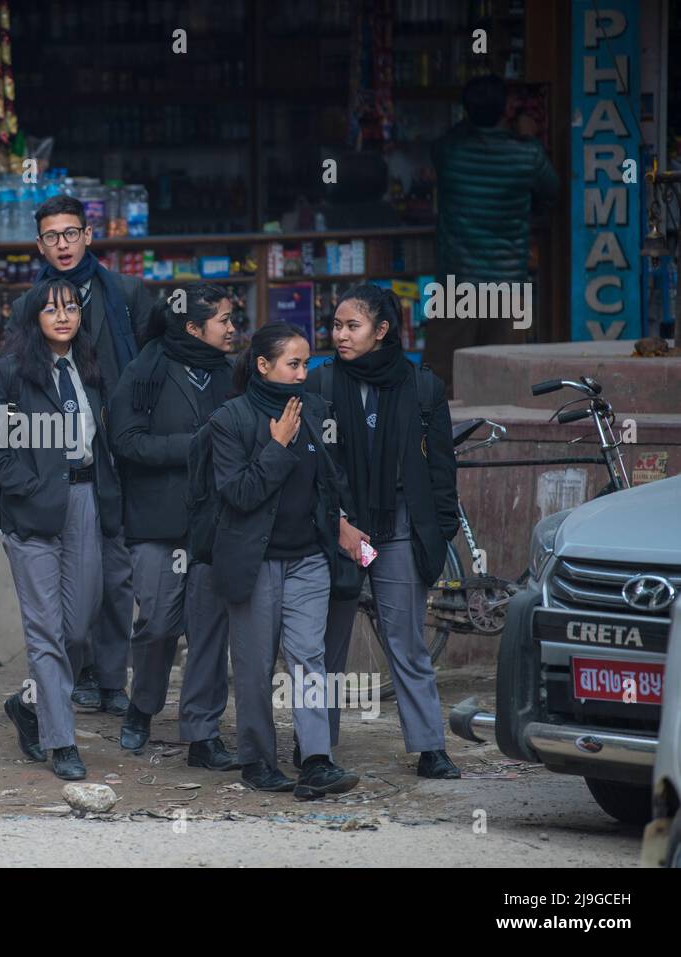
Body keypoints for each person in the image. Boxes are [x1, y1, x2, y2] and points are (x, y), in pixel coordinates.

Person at [0, 278, 120, 781]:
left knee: (78, 625)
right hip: (32, 510)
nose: (63, 317)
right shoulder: (11, 373)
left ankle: (30, 703)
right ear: (34, 317)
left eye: (71, 308)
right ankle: (62, 741)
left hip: (84, 501)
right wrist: (30, 485)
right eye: (52, 309)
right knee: (45, 632)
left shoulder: (91, 372)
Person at [10, 194, 153, 714]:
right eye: (51, 236)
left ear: (89, 236)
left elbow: (150, 367)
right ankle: (82, 670)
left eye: (71, 234)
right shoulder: (33, 303)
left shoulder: (129, 294)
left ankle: (112, 678)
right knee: (77, 576)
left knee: (117, 573)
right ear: (40, 244)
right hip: (65, 457)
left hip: (124, 449)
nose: (63, 245)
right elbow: (17, 377)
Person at [312, 284, 461, 779]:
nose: (340, 335)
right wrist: (336, 524)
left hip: (398, 529)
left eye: (351, 326)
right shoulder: (323, 384)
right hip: (337, 530)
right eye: (336, 325)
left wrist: (440, 532)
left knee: (406, 642)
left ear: (381, 330)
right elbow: (311, 466)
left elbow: (442, 470)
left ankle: (429, 747)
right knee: (327, 646)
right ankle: (317, 748)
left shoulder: (421, 387)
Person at [209, 322, 360, 799]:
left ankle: (316, 759)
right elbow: (238, 494)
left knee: (308, 659)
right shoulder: (230, 419)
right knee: (254, 667)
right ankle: (256, 760)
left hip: (309, 559)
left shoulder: (316, 411)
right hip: (255, 563)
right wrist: (276, 447)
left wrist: (341, 522)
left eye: (306, 364)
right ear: (263, 365)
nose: (302, 373)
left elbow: (329, 481)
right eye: (293, 364)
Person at [108, 283, 236, 769]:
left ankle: (202, 733)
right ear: (192, 327)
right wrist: (197, 445)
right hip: (157, 521)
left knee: (208, 630)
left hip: (216, 523)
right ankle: (142, 706)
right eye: (222, 319)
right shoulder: (144, 372)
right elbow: (127, 442)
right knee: (159, 623)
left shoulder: (230, 374)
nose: (231, 328)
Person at [428, 73, 559, 394]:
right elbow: (553, 192)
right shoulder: (527, 155)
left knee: (442, 379)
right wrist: (526, 136)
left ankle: (437, 442)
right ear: (505, 111)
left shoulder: (450, 151)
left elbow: (447, 138)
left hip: (457, 284)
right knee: (505, 379)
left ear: (466, 112)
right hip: (508, 284)